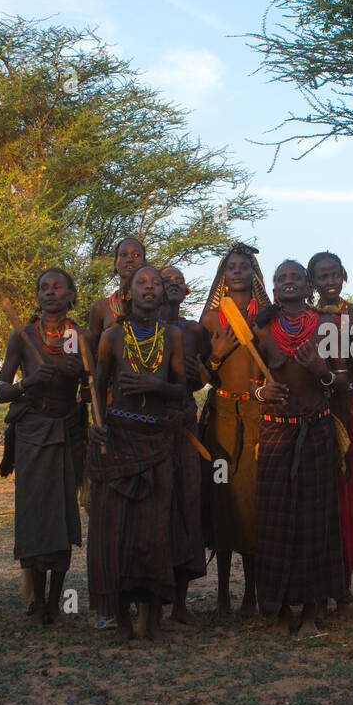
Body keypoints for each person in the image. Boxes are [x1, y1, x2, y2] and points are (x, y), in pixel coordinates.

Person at [254, 260, 353, 633]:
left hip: (316, 430)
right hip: (276, 432)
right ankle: (278, 610)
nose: (288, 282)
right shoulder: (261, 328)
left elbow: (343, 382)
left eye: (295, 277)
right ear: (274, 288)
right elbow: (250, 383)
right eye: (281, 278)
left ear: (307, 284)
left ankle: (312, 609)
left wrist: (321, 371)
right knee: (275, 524)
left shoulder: (328, 325)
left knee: (315, 521)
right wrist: (263, 390)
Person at [89, 265, 186, 642]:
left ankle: (154, 622)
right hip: (118, 439)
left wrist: (153, 384)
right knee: (118, 533)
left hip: (157, 440)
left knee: (153, 534)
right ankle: (123, 622)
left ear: (163, 293)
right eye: (140, 283)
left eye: (155, 283)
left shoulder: (173, 336)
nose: (149, 287)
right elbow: (96, 386)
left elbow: (182, 390)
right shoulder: (112, 336)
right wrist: (96, 424)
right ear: (127, 293)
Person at [0, 267, 91, 626]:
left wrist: (79, 375)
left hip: (68, 431)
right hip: (33, 430)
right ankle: (36, 602)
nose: (51, 293)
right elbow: (1, 391)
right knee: (33, 515)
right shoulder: (22, 337)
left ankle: (55, 602)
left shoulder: (80, 337)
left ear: (71, 295)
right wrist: (28, 383)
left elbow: (92, 390)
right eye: (44, 288)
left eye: (58, 287)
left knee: (63, 514)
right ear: (37, 296)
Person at [198, 243, 271, 616]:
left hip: (259, 415)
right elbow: (197, 377)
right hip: (223, 418)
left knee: (252, 501)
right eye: (231, 266)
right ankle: (224, 593)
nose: (238, 271)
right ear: (223, 275)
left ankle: (252, 595)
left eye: (245, 266)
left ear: (255, 274)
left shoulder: (268, 318)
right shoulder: (211, 321)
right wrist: (217, 354)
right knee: (222, 498)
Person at [309, 251, 353, 597]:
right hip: (316, 410)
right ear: (313, 282)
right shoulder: (307, 316)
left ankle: (346, 581)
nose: (330, 281)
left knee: (349, 486)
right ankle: (324, 575)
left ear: (344, 275)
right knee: (323, 490)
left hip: (349, 407)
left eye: (335, 274)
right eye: (322, 276)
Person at [160, 265, 210, 624]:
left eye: (179, 280)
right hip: (148, 426)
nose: (173, 285)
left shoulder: (194, 330)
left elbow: (209, 376)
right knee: (153, 508)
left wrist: (200, 375)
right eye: (165, 280)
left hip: (185, 424)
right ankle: (149, 600)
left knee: (186, 506)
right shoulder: (136, 330)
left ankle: (180, 603)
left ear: (187, 290)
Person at [89, 237, 147, 342]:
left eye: (136, 255)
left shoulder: (153, 306)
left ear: (144, 263)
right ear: (115, 263)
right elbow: (92, 350)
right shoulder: (100, 308)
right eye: (123, 255)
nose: (129, 259)